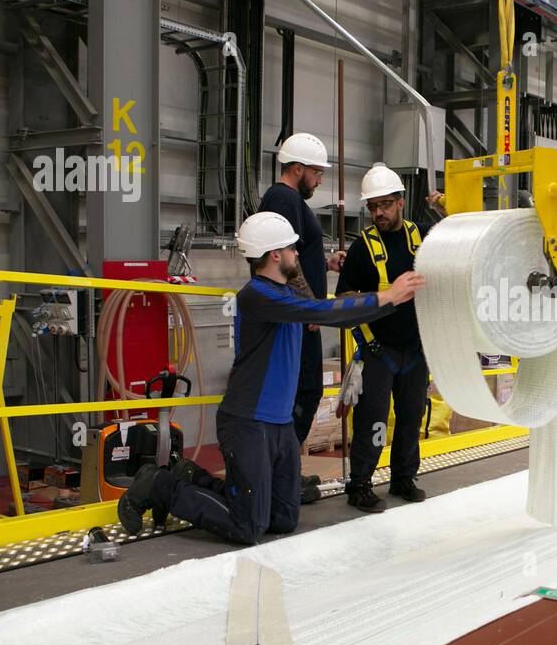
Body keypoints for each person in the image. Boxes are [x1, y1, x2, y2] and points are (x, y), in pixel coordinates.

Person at [116, 212, 424, 544]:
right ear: (275, 254)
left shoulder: (286, 293)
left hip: (279, 425)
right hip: (248, 421)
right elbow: (320, 311)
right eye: (293, 248)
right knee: (248, 527)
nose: (297, 254)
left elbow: (322, 308)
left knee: (283, 518)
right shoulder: (257, 295)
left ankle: (189, 475)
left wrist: (387, 300)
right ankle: (160, 486)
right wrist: (387, 296)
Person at [336, 163, 434, 511]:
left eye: (385, 205)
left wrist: (445, 207)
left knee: (411, 417)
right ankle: (360, 484)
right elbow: (342, 299)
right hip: (378, 351)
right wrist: (383, 295)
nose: (378, 213)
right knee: (372, 422)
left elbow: (461, 235)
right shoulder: (362, 248)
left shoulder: (424, 236)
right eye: (373, 207)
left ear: (401, 202)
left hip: (415, 350)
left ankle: (403, 477)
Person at [258, 132, 344, 503]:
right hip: (297, 316)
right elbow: (282, 257)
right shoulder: (284, 198)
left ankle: (285, 477)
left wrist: (324, 263)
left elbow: (296, 256)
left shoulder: (288, 201)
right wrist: (310, 305)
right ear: (297, 169)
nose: (320, 180)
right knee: (303, 393)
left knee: (302, 392)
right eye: (317, 172)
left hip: (299, 312)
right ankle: (282, 480)